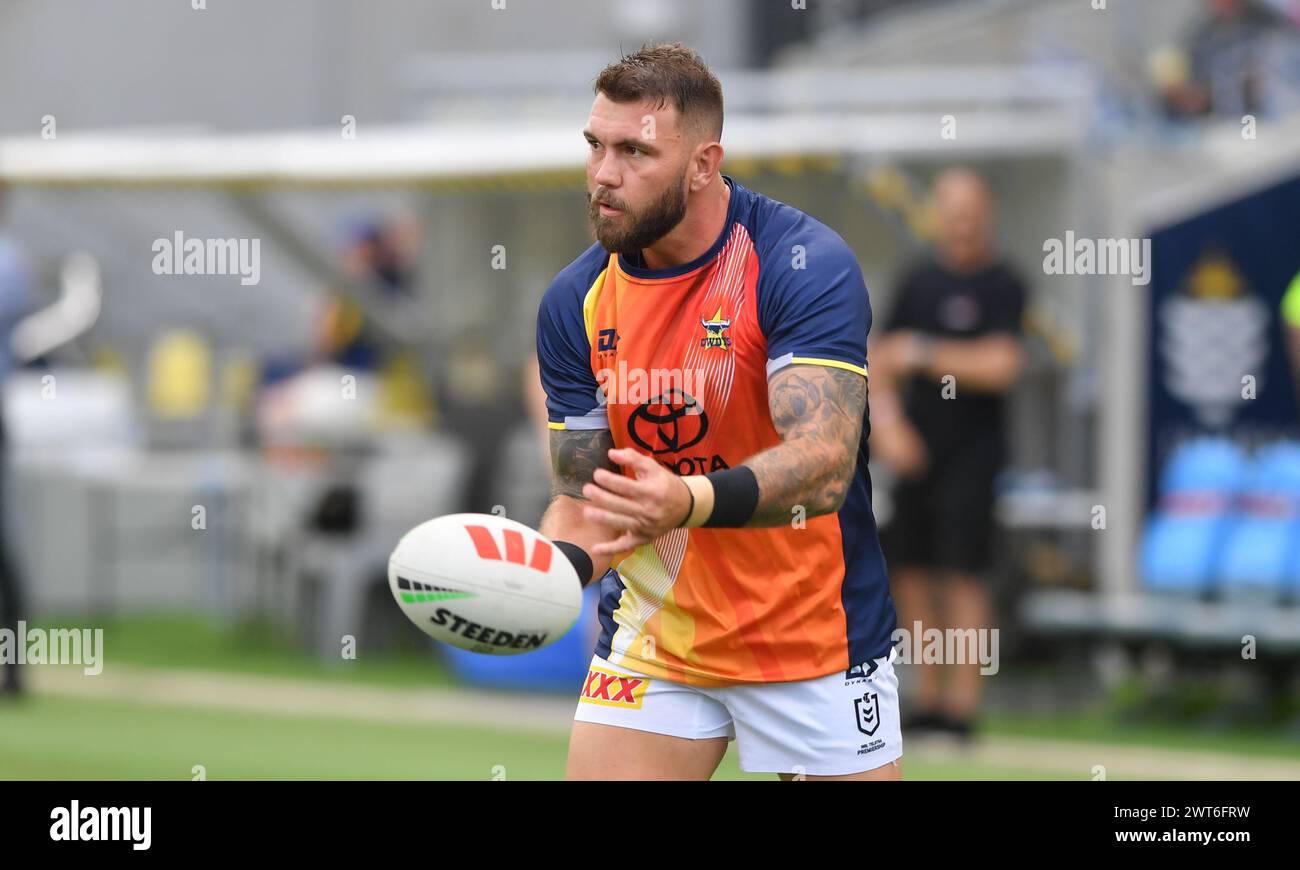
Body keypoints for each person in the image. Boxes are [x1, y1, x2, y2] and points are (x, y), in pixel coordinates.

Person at [535, 43, 899, 781]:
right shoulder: (574, 302)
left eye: (636, 151)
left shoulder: (800, 264)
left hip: (813, 641)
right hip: (657, 639)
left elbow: (826, 461)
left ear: (704, 164)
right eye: (596, 146)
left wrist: (686, 500)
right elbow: (585, 498)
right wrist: (539, 578)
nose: (604, 175)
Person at [870, 168, 1027, 741]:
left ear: (986, 213)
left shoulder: (1002, 283)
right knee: (909, 573)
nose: (959, 222)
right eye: (950, 209)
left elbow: (1002, 364)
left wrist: (926, 352)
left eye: (969, 210)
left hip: (974, 457)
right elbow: (880, 358)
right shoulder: (917, 281)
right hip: (916, 453)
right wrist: (888, 428)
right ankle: (925, 699)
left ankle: (963, 708)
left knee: (964, 577)